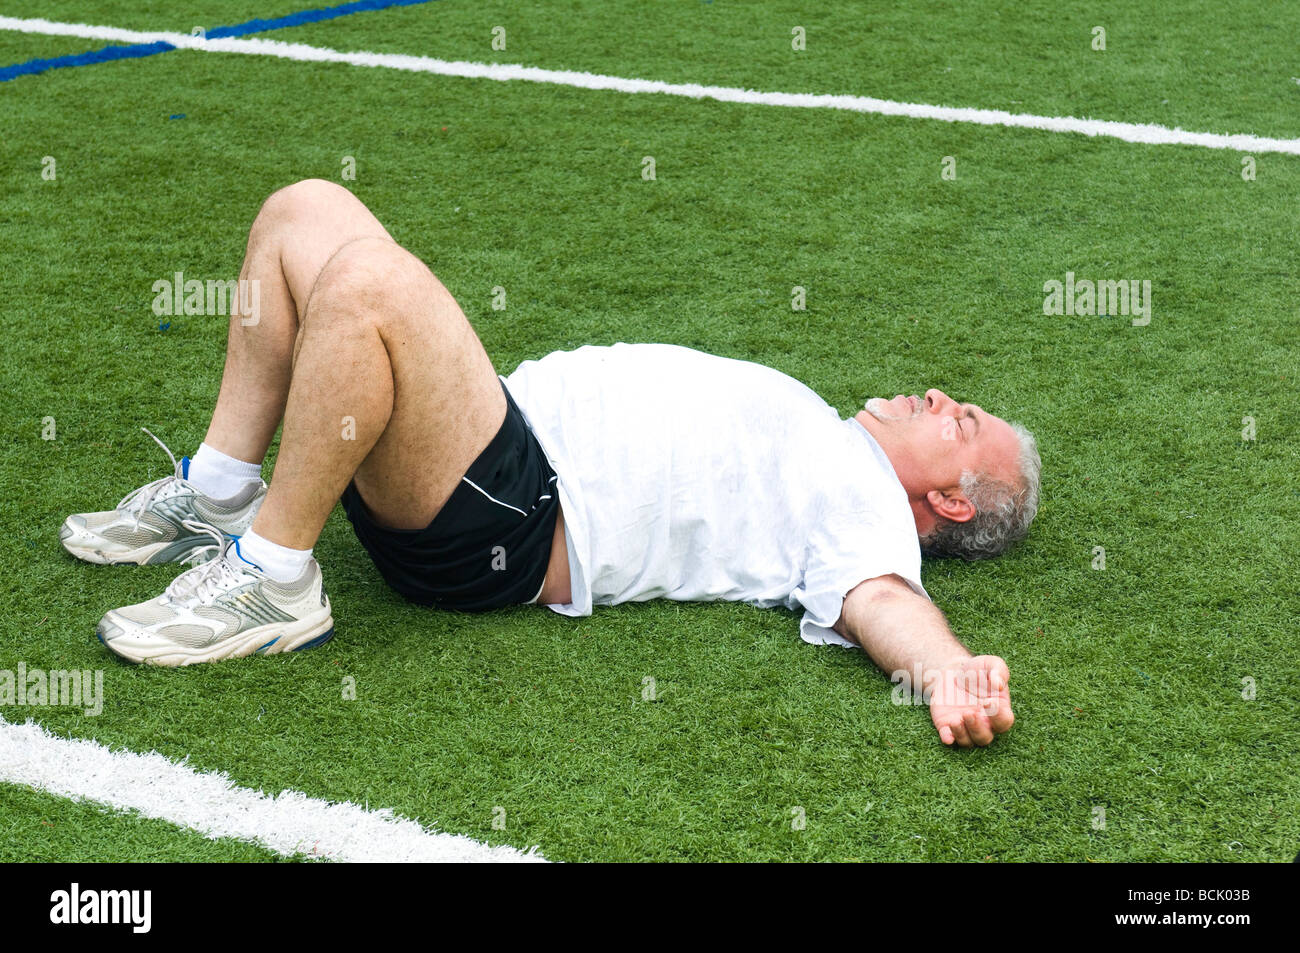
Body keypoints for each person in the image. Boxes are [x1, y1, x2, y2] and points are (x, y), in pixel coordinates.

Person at [62, 180, 1040, 747]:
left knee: (364, 281)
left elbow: (885, 599)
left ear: (946, 501)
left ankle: (272, 579)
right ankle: (219, 495)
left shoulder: (864, 507)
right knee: (301, 210)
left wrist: (948, 670)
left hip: (506, 516)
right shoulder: (828, 436)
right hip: (486, 448)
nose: (943, 398)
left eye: (962, 425)